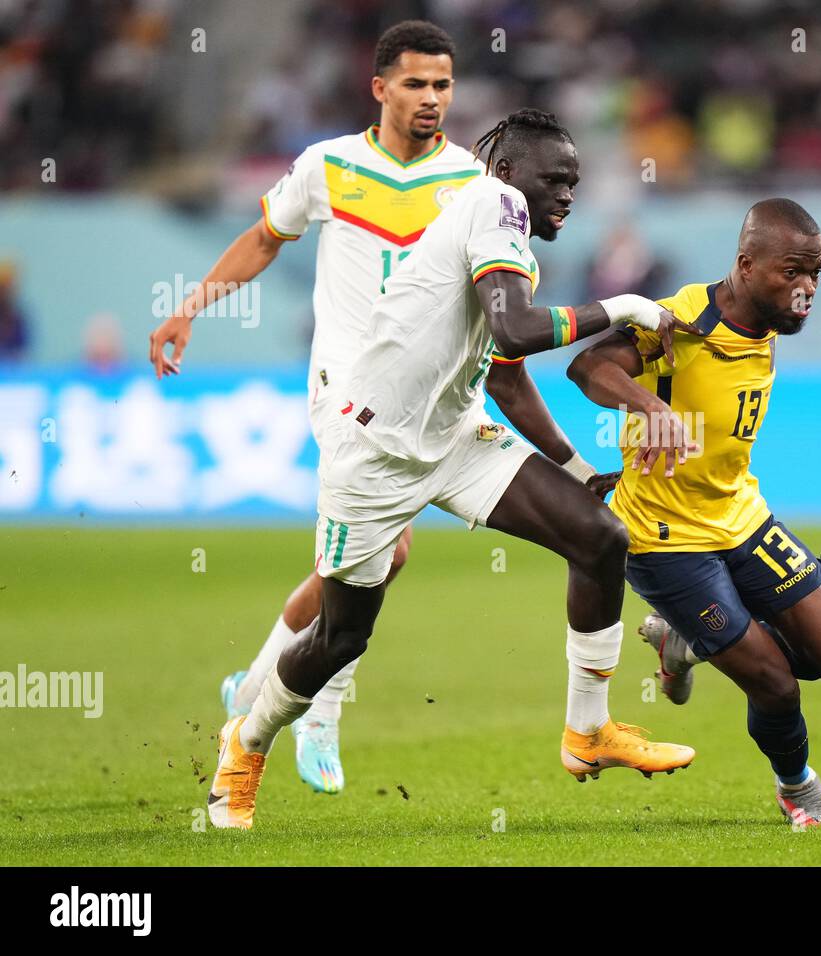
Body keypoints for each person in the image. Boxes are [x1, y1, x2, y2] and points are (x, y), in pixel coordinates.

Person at [205, 108, 703, 830]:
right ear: (507, 173)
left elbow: (504, 374)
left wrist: (572, 464)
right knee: (341, 638)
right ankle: (245, 746)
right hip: (374, 455)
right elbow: (517, 330)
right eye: (555, 178)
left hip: (456, 437)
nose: (568, 194)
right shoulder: (494, 204)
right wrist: (629, 305)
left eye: (575, 181)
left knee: (599, 538)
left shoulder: (504, 236)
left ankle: (587, 732)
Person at [148, 21, 492, 794]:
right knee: (385, 555)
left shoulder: (471, 181)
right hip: (343, 392)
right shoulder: (328, 165)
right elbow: (266, 238)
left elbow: (480, 299)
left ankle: (257, 683)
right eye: (415, 83)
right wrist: (192, 306)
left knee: (357, 562)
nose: (432, 98)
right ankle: (323, 710)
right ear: (380, 88)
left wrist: (474, 395)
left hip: (420, 401)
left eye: (442, 85)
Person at [567, 199, 821, 827]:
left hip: (741, 514)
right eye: (792, 272)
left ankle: (688, 640)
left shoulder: (770, 324)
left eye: (815, 272)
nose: (806, 288)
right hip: (663, 535)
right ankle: (797, 789)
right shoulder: (681, 319)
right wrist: (648, 407)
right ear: (746, 265)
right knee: (776, 684)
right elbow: (587, 365)